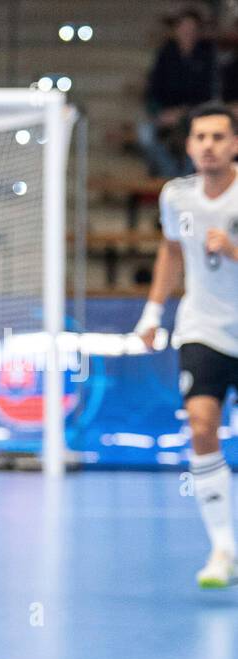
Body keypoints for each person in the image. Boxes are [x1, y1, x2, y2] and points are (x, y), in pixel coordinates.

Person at [136, 104, 238, 587]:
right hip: (203, 329)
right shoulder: (175, 197)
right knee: (201, 427)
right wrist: (153, 315)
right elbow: (171, 251)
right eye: (201, 137)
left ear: (234, 144)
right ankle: (223, 547)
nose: (209, 145)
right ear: (190, 145)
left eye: (218, 137)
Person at [140, 8, 218, 178]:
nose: (187, 32)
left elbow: (210, 94)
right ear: (176, 30)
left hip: (196, 115)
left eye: (192, 28)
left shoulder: (207, 56)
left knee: (200, 137)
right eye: (183, 27)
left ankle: (188, 178)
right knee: (145, 134)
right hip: (166, 115)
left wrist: (185, 112)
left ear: (198, 31)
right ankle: (174, 178)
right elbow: (152, 92)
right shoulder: (165, 55)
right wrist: (159, 113)